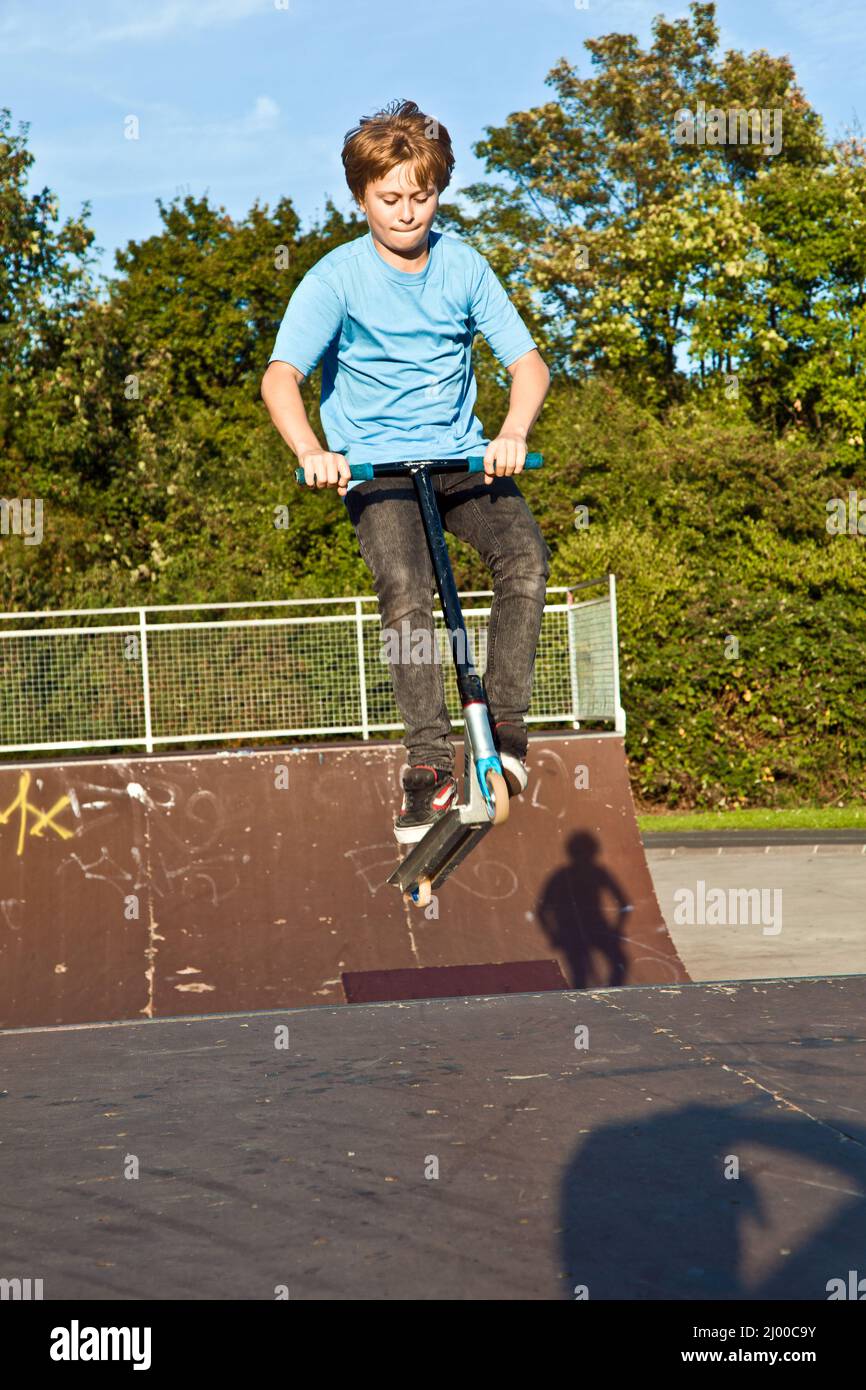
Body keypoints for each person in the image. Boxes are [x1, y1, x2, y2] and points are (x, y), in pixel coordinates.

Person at [261, 99, 551, 846]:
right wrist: (311, 453)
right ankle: (428, 769)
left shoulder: (463, 265)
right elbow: (280, 378)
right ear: (361, 198)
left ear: (438, 190)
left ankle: (506, 736)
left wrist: (513, 431)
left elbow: (528, 365)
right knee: (406, 589)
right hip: (376, 469)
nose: (406, 212)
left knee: (523, 556)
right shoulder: (335, 279)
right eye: (389, 198)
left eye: (421, 196)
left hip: (459, 458)